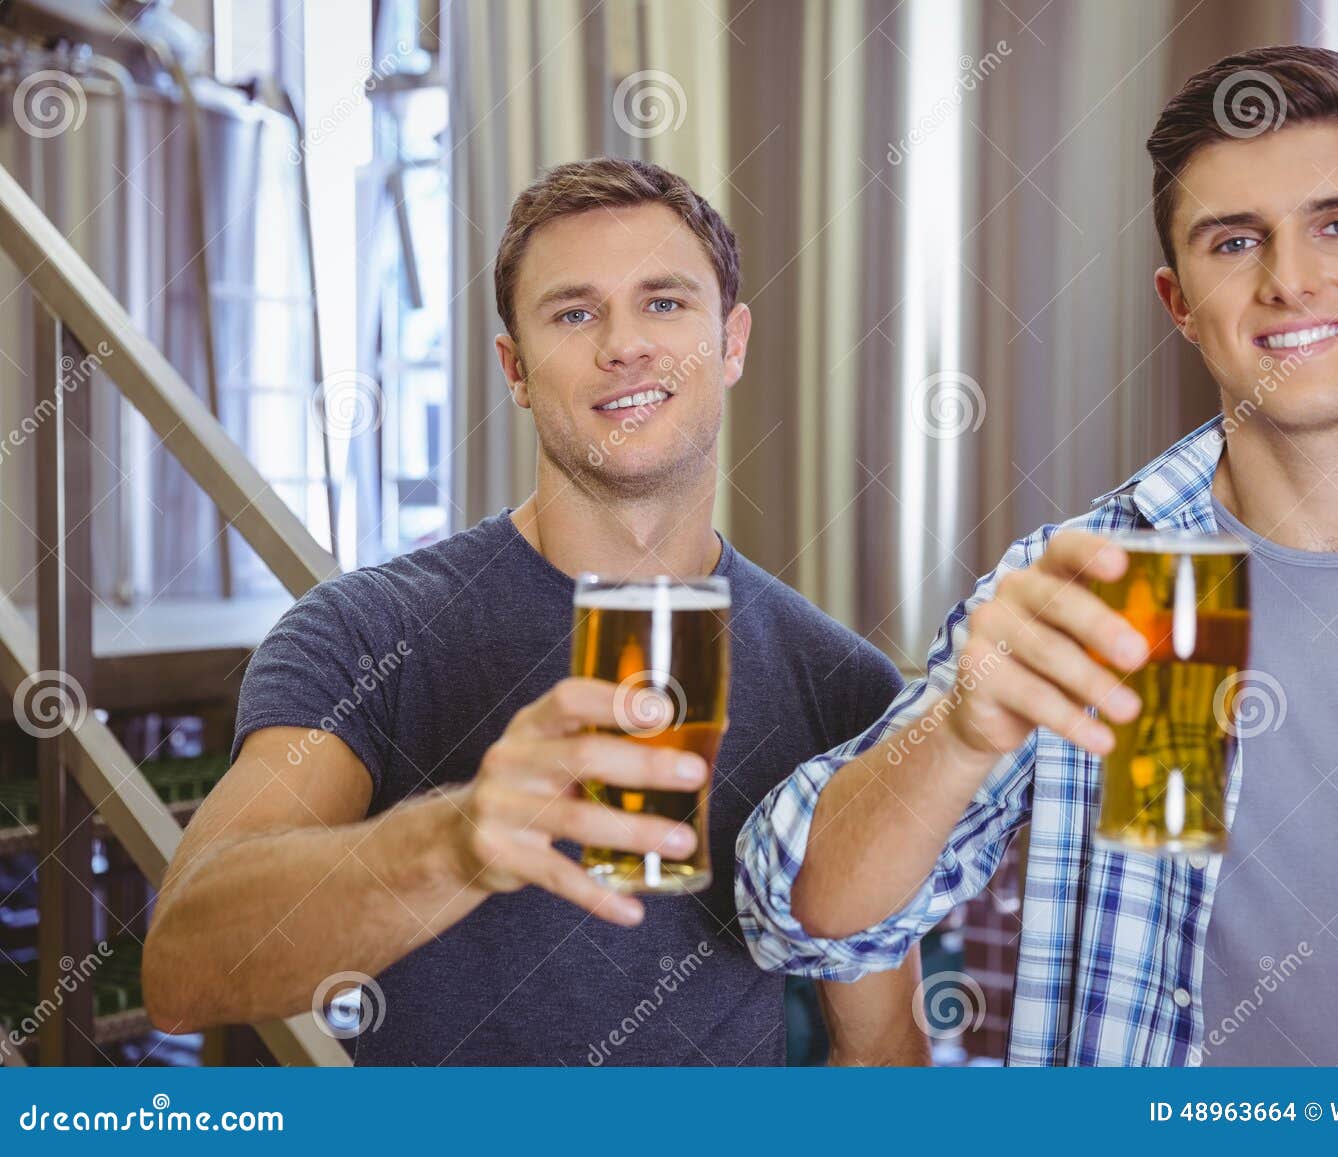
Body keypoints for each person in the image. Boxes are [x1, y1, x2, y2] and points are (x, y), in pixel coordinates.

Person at [737, 45, 1338, 1066]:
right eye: (1234, 242)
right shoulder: (1092, 584)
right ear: (1178, 300)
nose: (1288, 280)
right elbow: (801, 916)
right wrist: (964, 725)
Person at [143, 157, 928, 1067]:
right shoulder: (365, 632)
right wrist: (456, 839)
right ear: (515, 368)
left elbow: (880, 1054)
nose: (624, 344)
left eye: (665, 303)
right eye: (574, 313)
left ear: (733, 341)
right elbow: (186, 962)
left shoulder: (839, 684)